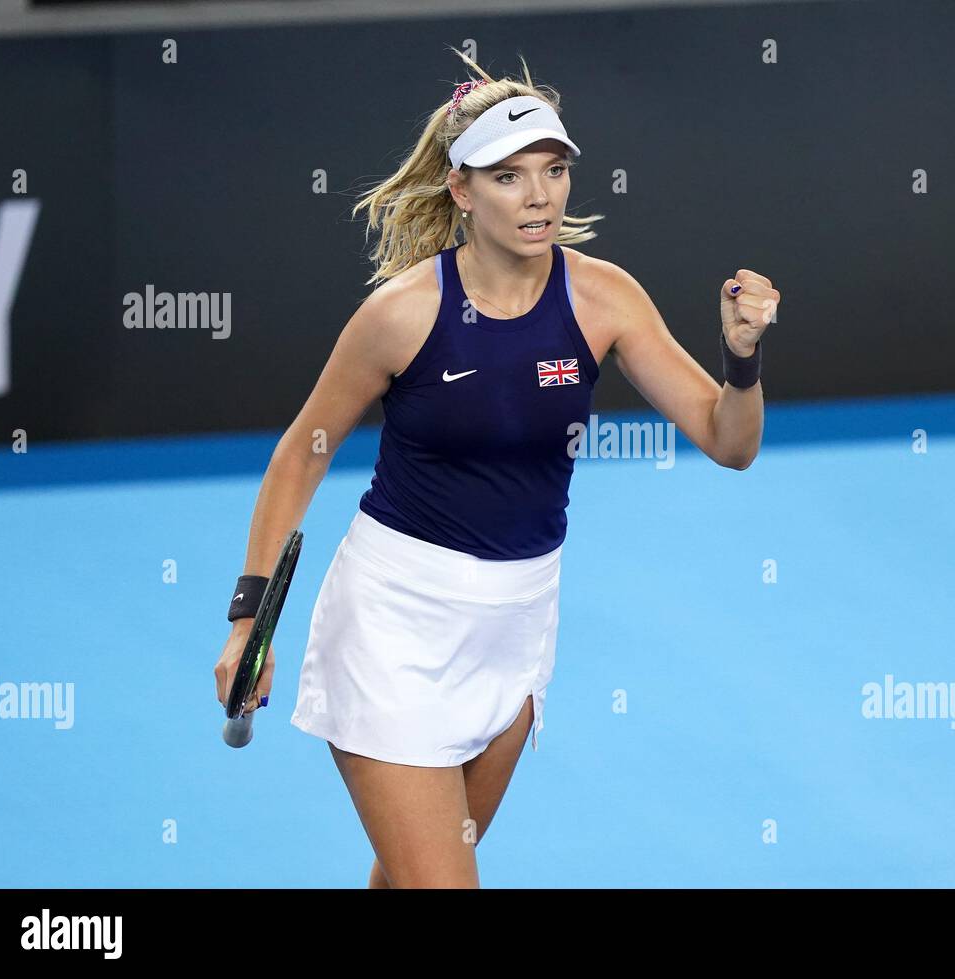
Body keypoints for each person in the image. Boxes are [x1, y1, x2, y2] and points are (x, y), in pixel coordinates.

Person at [213, 48, 778, 889]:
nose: (539, 195)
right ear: (462, 190)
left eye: (552, 171)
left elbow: (729, 442)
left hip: (515, 630)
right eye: (508, 177)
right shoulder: (401, 314)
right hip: (391, 625)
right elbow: (302, 453)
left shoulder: (604, 298)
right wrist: (246, 617)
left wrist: (740, 358)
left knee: (411, 875)